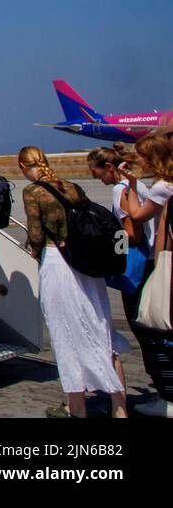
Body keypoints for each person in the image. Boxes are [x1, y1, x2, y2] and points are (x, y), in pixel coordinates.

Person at [18, 146, 129, 418]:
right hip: (87, 266)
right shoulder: (71, 186)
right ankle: (120, 408)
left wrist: (31, 251)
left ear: (23, 167)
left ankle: (78, 408)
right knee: (100, 330)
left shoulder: (33, 191)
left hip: (59, 264)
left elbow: (35, 237)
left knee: (67, 334)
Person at [117, 133, 173, 418]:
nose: (137, 160)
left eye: (140, 156)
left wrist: (130, 186)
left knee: (157, 327)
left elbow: (136, 217)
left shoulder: (163, 186)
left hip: (165, 262)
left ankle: (168, 397)